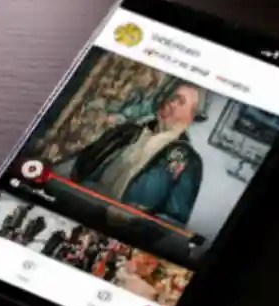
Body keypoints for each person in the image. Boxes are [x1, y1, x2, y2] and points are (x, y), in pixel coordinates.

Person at [67, 80, 205, 227]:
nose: (171, 103)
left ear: (192, 116)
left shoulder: (190, 162)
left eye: (180, 101)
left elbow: (173, 222)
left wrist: (131, 221)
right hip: (77, 204)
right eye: (171, 97)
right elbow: (81, 163)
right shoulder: (127, 131)